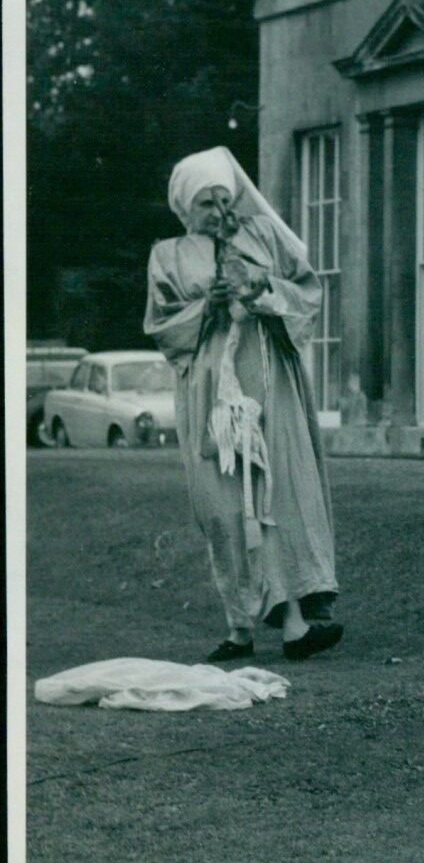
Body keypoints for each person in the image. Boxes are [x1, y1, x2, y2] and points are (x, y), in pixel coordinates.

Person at [143, 148, 342, 664]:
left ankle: (296, 622)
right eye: (205, 202)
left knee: (276, 496)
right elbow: (162, 328)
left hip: (267, 380)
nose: (218, 211)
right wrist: (202, 306)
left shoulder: (266, 237)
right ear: (186, 208)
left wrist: (260, 288)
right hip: (208, 388)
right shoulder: (167, 255)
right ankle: (239, 627)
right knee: (222, 504)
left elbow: (308, 293)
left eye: (223, 199)